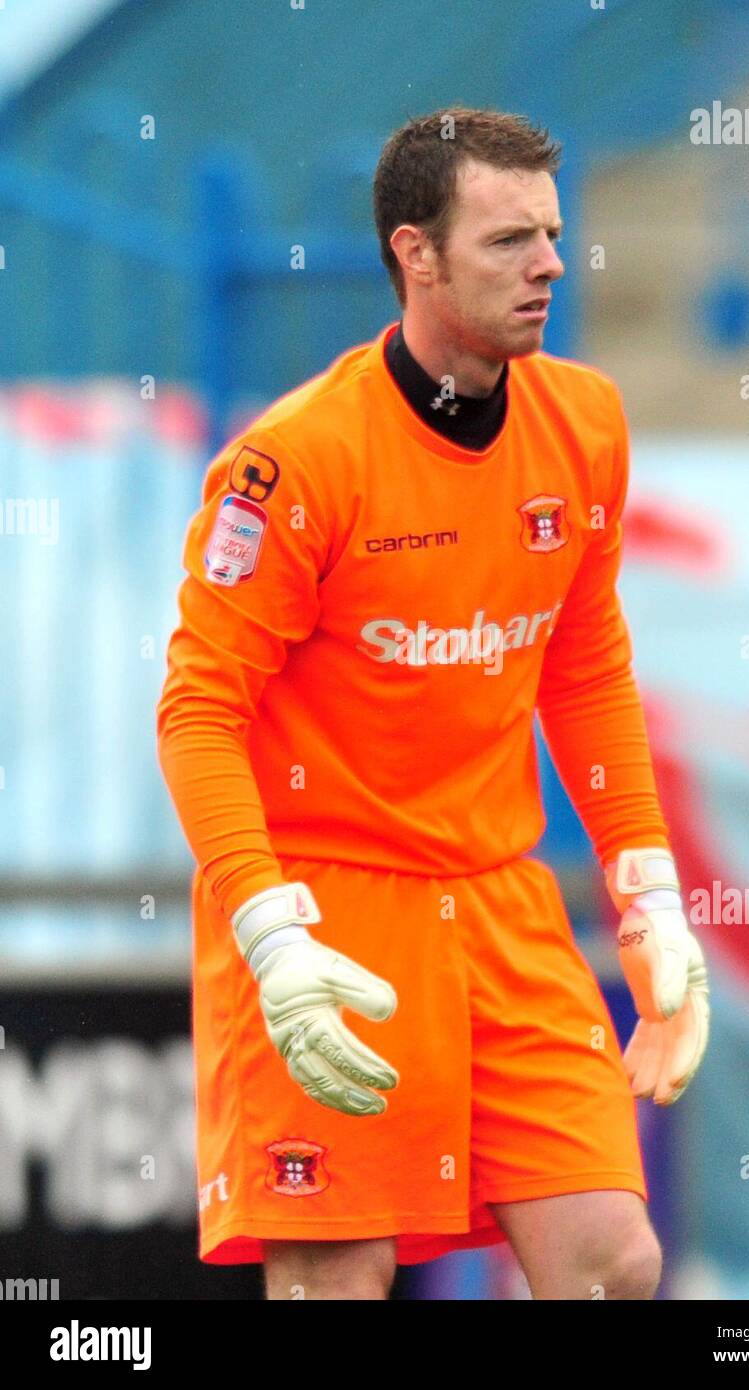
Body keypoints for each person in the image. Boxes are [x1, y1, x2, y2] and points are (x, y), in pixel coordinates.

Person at [157, 106, 709, 1302]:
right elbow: (197, 713)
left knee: (614, 1264)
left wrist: (649, 888)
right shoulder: (294, 461)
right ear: (416, 254)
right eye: (511, 239)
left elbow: (584, 667)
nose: (551, 263)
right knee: (333, 1282)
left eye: (553, 234)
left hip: (501, 908)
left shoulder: (586, 423)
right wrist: (269, 933)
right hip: (329, 918)